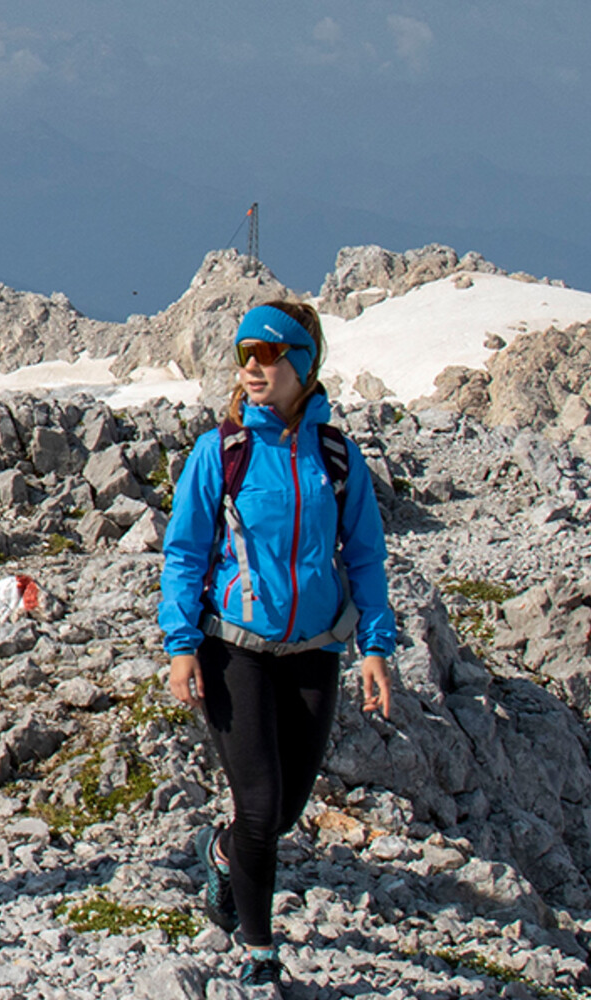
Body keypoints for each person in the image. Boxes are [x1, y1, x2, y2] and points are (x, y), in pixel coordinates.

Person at [158, 300, 400, 992]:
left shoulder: (336, 456)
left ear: (304, 363)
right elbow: (183, 555)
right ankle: (260, 952)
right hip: (233, 646)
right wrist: (181, 646)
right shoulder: (222, 453)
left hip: (316, 649)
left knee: (285, 811)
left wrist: (375, 648)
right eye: (246, 356)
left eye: (269, 355)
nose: (254, 368)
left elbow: (365, 558)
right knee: (262, 806)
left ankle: (226, 850)